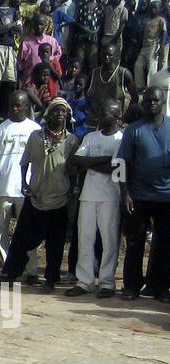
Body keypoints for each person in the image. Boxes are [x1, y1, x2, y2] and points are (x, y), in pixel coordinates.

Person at [0, 98, 81, 288]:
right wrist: (25, 183)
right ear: (48, 114)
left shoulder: (72, 140)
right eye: (56, 111)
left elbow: (74, 169)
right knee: (21, 238)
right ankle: (11, 273)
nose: (60, 114)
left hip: (59, 197)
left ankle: (51, 279)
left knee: (56, 243)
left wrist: (72, 189)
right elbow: (24, 163)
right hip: (36, 195)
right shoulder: (35, 137)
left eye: (63, 112)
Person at [65, 100, 125, 296]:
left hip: (110, 196)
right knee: (85, 237)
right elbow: (76, 161)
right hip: (88, 195)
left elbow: (115, 169)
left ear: (117, 116)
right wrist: (104, 160)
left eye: (105, 113)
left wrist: (89, 163)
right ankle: (84, 281)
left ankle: (107, 282)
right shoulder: (91, 137)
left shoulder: (121, 139)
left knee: (109, 240)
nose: (100, 115)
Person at [116, 85, 170, 299]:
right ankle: (131, 286)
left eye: (156, 100)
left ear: (163, 101)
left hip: (166, 197)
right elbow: (121, 164)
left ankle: (160, 286)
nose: (152, 104)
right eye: (148, 100)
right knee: (135, 242)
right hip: (138, 197)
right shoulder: (134, 130)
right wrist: (125, 193)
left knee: (166, 244)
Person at [0, 91, 43, 278]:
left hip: (26, 189)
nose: (15, 108)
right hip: (3, 187)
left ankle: (31, 271)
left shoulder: (35, 130)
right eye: (12, 104)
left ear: (27, 106)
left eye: (19, 105)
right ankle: (8, 268)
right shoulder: (1, 129)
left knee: (27, 233)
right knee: (1, 233)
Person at [0, 0, 24, 115]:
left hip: (10, 48)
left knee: (11, 82)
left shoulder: (14, 11)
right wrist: (12, 25)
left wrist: (5, 27)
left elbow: (19, 30)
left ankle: (8, 112)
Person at [88, 41, 137, 117]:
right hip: (94, 120)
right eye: (104, 54)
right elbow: (86, 94)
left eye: (109, 55)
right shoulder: (94, 73)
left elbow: (135, 98)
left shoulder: (123, 73)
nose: (106, 57)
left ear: (116, 56)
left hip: (114, 121)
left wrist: (127, 116)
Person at [133, 0, 167, 90]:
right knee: (138, 65)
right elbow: (142, 34)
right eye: (152, 7)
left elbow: (163, 35)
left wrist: (160, 49)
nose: (153, 10)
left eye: (155, 8)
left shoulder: (161, 20)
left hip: (154, 46)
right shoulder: (146, 19)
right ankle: (139, 86)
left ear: (160, 9)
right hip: (144, 46)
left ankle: (151, 88)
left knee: (151, 69)